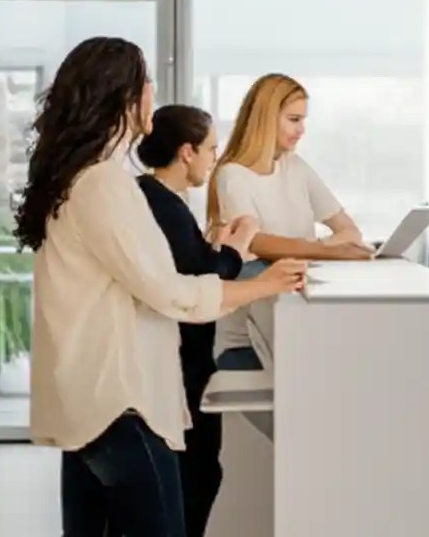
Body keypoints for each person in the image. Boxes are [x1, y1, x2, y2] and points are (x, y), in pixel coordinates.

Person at [17, 37, 305, 537]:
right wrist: (266, 284)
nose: (153, 90)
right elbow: (169, 292)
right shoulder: (104, 184)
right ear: (124, 97)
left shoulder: (76, 178)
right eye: (145, 79)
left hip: (87, 401)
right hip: (119, 405)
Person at [136, 105, 256, 537]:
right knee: (199, 474)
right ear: (186, 152)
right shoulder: (162, 205)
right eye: (211, 149)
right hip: (181, 364)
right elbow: (202, 274)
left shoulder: (154, 199)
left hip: (182, 361)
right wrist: (235, 249)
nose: (214, 159)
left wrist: (216, 250)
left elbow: (192, 263)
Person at [206, 73, 373, 372]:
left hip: (292, 321)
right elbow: (255, 242)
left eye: (303, 120)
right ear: (267, 118)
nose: (302, 130)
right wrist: (327, 251)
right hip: (250, 339)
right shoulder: (233, 175)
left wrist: (317, 248)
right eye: (294, 119)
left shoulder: (295, 167)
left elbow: (348, 230)